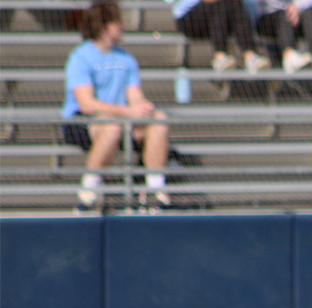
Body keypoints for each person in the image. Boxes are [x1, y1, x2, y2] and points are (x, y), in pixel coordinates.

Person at [62, 0, 171, 211]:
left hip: (120, 118)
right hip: (84, 121)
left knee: (159, 121)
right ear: (104, 25)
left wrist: (142, 109)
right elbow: (87, 104)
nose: (122, 25)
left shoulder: (126, 59)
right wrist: (127, 111)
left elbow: (134, 96)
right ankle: (88, 193)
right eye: (117, 21)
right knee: (112, 127)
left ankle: (156, 192)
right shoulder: (80, 57)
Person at [171, 0, 271, 73]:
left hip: (219, 13)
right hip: (188, 18)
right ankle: (221, 57)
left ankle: (249, 56)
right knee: (221, 4)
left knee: (233, 3)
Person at [255, 0, 312, 72]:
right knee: (284, 15)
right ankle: (289, 55)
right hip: (269, 17)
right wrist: (289, 7)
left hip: (297, 15)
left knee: (309, 13)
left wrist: (297, 6)